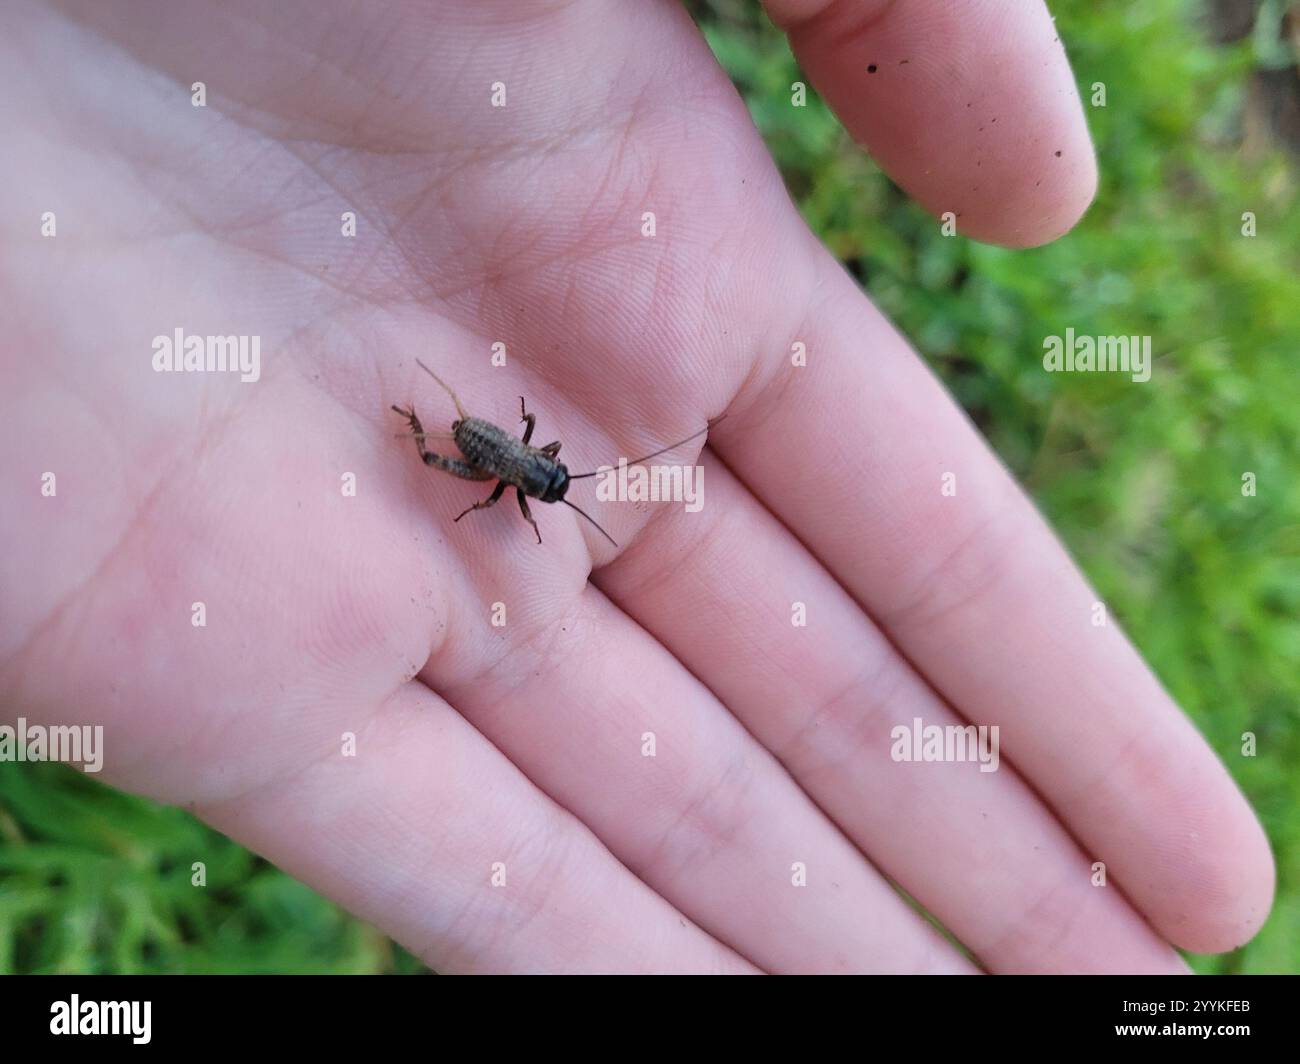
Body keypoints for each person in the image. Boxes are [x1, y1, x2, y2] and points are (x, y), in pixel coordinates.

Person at [0, 0, 1272, 973]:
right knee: (443, 453)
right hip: (442, 421)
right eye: (547, 479)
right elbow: (491, 474)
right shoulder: (517, 469)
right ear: (539, 468)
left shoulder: (532, 471)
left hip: (438, 418)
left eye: (545, 484)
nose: (544, 487)